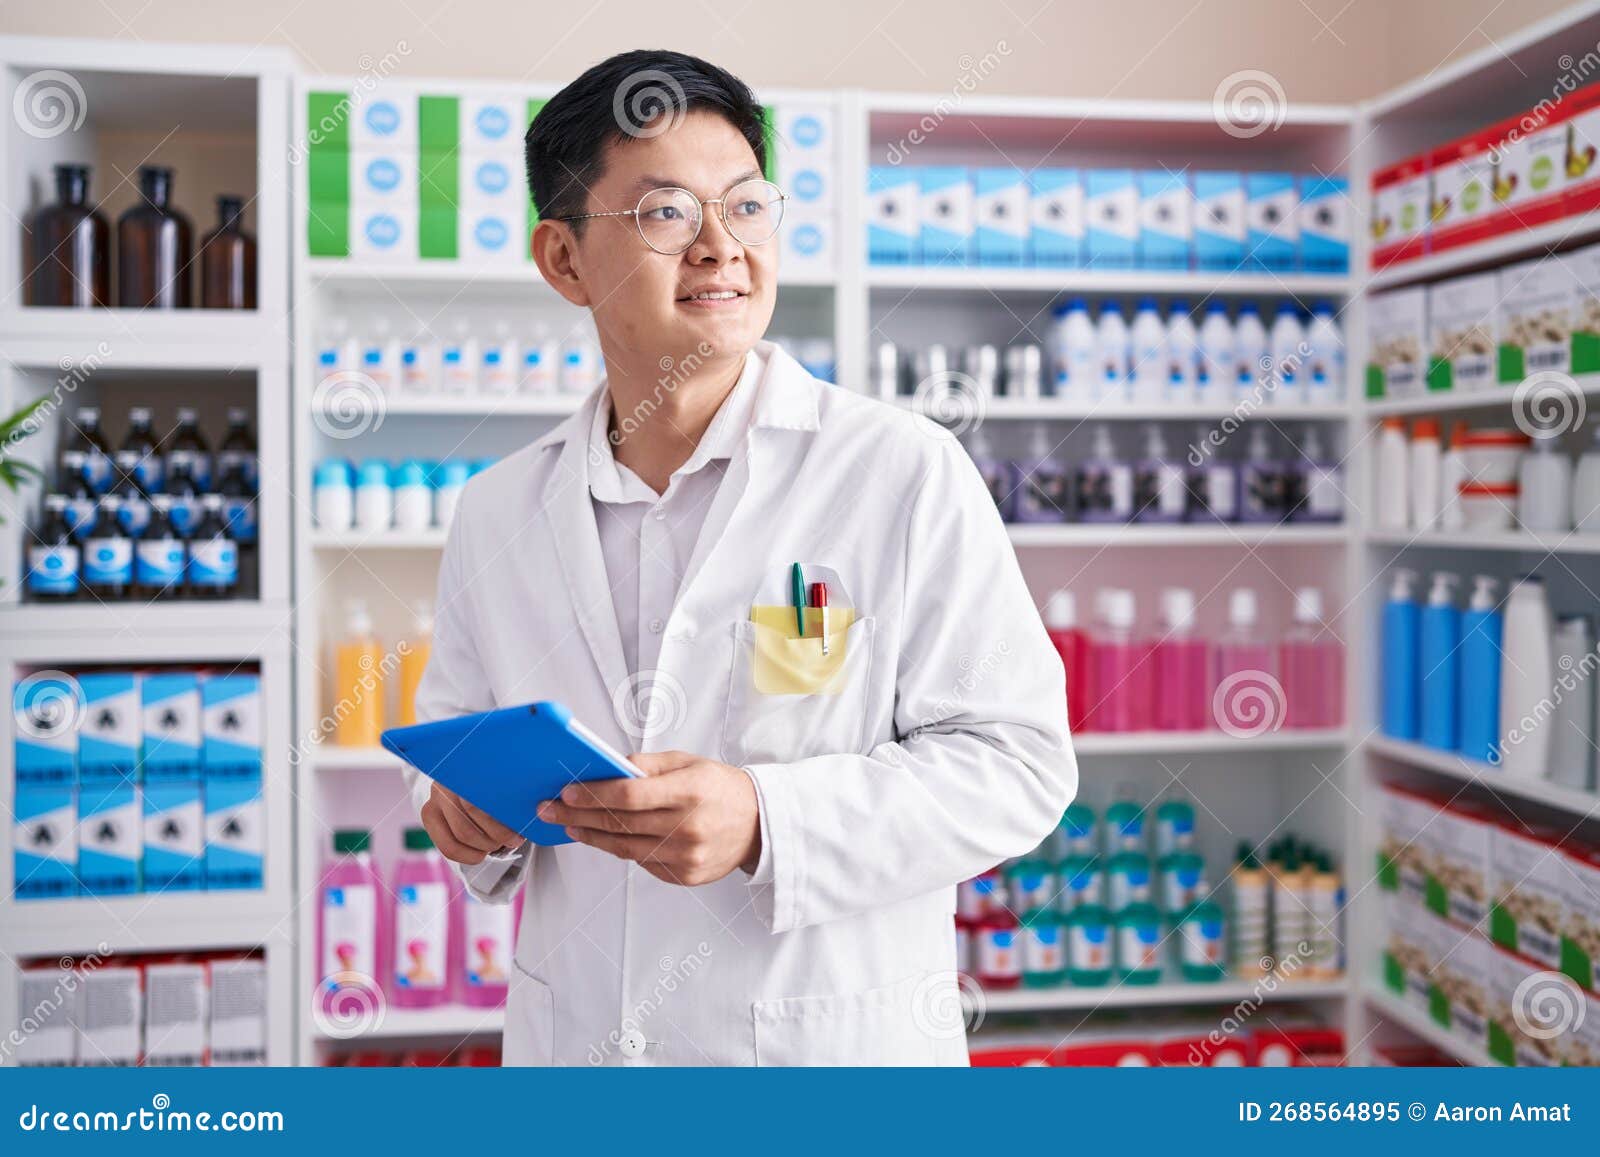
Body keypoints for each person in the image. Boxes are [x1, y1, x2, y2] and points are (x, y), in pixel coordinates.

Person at [406, 48, 1075, 1066]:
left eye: (748, 206)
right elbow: (457, 738)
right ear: (564, 259)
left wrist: (769, 817)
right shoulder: (498, 510)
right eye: (667, 213)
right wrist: (460, 815)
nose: (722, 247)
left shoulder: (900, 472)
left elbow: (1017, 765)